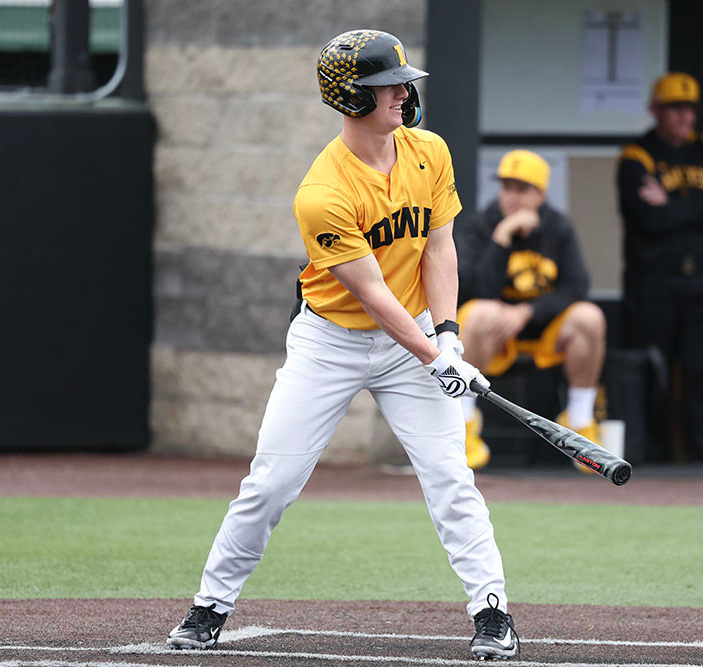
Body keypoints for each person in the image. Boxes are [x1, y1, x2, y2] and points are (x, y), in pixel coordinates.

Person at [164, 30, 519, 661]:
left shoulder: (428, 152)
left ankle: (492, 612)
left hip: (414, 332)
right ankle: (208, 607)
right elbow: (374, 296)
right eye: (390, 84)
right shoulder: (322, 193)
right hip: (329, 341)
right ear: (352, 98)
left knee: (451, 478)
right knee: (272, 481)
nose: (405, 93)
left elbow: (439, 247)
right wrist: (435, 359)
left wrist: (448, 335)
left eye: (404, 83)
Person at [454, 150, 607, 470]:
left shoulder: (558, 228)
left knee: (590, 318)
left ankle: (580, 422)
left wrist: (528, 312)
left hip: (544, 333)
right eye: (507, 187)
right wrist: (501, 239)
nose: (512, 197)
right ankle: (463, 427)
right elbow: (469, 291)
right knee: (479, 312)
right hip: (492, 335)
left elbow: (577, 288)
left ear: (541, 194)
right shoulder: (483, 226)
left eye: (522, 190)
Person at [616, 72, 703, 462]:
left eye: (689, 110)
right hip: (653, 288)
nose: (685, 118)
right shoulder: (637, 156)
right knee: (656, 379)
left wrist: (670, 203)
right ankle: (654, 459)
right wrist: (700, 208)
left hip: (702, 288)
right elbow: (649, 221)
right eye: (675, 110)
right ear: (656, 111)